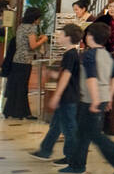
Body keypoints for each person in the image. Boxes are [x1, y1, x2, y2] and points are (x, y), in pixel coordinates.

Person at [62, 22, 114, 174]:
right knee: (83, 132)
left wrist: (95, 100)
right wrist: (109, 97)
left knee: (93, 133)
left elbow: (91, 78)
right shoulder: (107, 55)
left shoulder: (89, 55)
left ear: (90, 36)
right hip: (102, 97)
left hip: (91, 99)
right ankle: (77, 165)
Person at [32, 24, 83, 162]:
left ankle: (72, 157)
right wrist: (51, 74)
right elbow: (66, 75)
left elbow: (66, 76)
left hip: (68, 97)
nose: (58, 36)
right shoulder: (72, 54)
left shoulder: (69, 55)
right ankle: (45, 150)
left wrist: (57, 95)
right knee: (56, 125)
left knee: (69, 128)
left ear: (68, 37)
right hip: (69, 96)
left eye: (61, 34)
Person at [3, 6, 46, 120]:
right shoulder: (31, 28)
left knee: (15, 86)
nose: (39, 21)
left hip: (16, 59)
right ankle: (22, 112)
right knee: (22, 87)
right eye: (38, 18)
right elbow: (32, 46)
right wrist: (43, 39)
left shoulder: (21, 26)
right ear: (35, 18)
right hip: (25, 61)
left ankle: (10, 111)